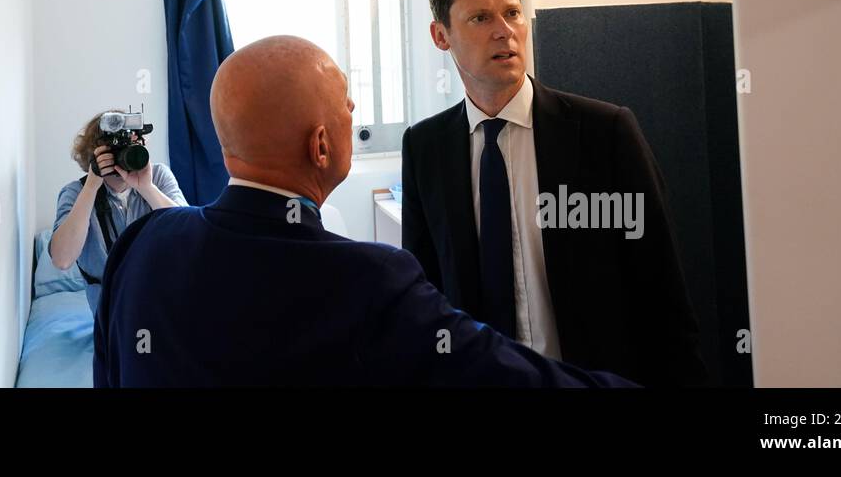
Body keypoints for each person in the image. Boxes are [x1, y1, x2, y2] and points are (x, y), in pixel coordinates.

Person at [92, 35, 634, 387]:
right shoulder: (366, 280)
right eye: (348, 105)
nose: (355, 114)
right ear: (321, 146)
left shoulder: (142, 244)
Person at [403, 0, 707, 386]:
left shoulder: (604, 133)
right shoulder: (425, 147)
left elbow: (662, 289)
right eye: (480, 17)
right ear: (441, 36)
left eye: (511, 13)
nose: (503, 31)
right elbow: (425, 291)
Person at [50, 109, 187, 316]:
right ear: (94, 154)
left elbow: (188, 237)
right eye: (114, 149)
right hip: (112, 316)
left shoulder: (158, 177)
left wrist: (146, 187)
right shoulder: (76, 193)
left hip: (164, 306)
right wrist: (92, 185)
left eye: (128, 145)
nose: (122, 154)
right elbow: (62, 260)